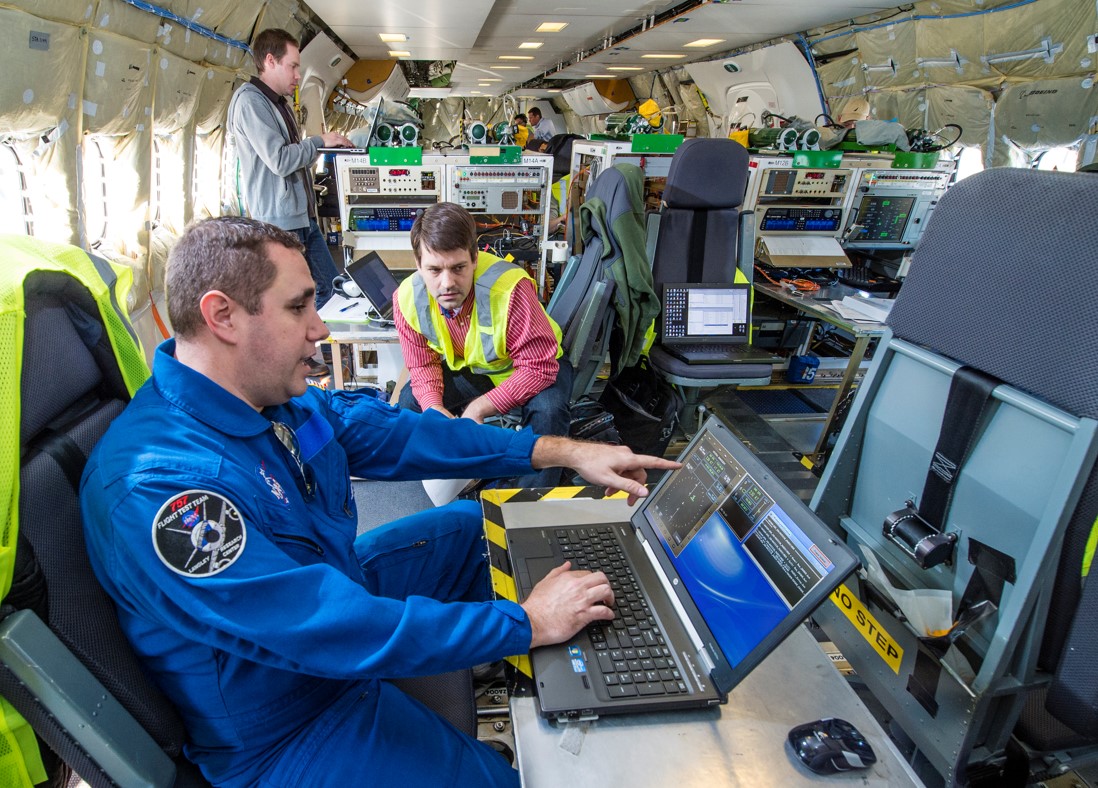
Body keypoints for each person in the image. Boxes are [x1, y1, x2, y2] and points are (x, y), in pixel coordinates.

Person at [79, 216, 679, 787]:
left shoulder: (273, 403)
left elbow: (406, 435)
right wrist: (526, 624)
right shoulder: (164, 492)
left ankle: (617, 662)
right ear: (223, 317)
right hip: (288, 717)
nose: (320, 328)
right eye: (298, 307)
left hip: (333, 591)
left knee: (477, 526)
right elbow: (327, 628)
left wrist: (562, 451)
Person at [394, 202, 571, 487]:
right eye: (435, 270)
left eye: (458, 267)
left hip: (536, 367)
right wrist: (432, 406)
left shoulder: (509, 288)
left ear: (475, 257)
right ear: (418, 264)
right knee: (411, 404)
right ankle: (459, 477)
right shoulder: (406, 298)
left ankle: (535, 500)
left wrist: (478, 409)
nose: (447, 283)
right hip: (479, 369)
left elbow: (539, 368)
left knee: (548, 414)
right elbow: (422, 364)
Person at [227, 28, 352, 313]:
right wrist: (319, 142)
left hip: (302, 218)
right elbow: (280, 160)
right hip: (279, 221)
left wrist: (326, 149)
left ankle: (322, 350)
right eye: (293, 66)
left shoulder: (280, 104)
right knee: (295, 297)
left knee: (331, 286)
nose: (298, 75)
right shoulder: (250, 102)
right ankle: (304, 352)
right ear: (270, 61)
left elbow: (298, 160)